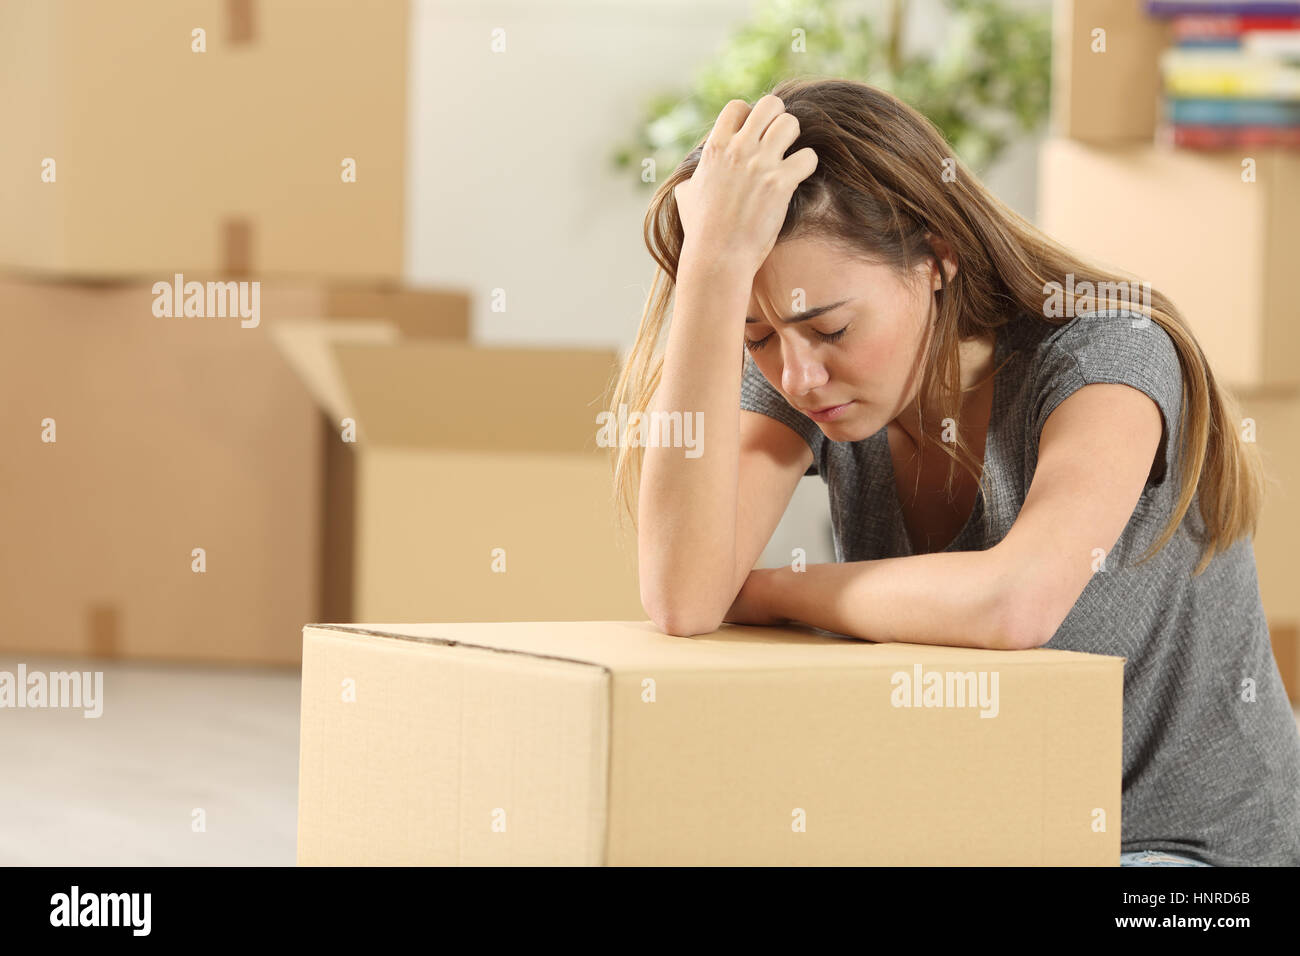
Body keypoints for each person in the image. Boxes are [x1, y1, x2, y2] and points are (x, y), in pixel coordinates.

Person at [607, 78, 1300, 867]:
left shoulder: (1108, 353)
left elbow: (1015, 603)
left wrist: (765, 588)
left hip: (1198, 868)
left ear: (937, 258)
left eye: (829, 327)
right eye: (754, 335)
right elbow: (681, 594)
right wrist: (709, 273)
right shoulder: (811, 376)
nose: (797, 374)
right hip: (1007, 839)